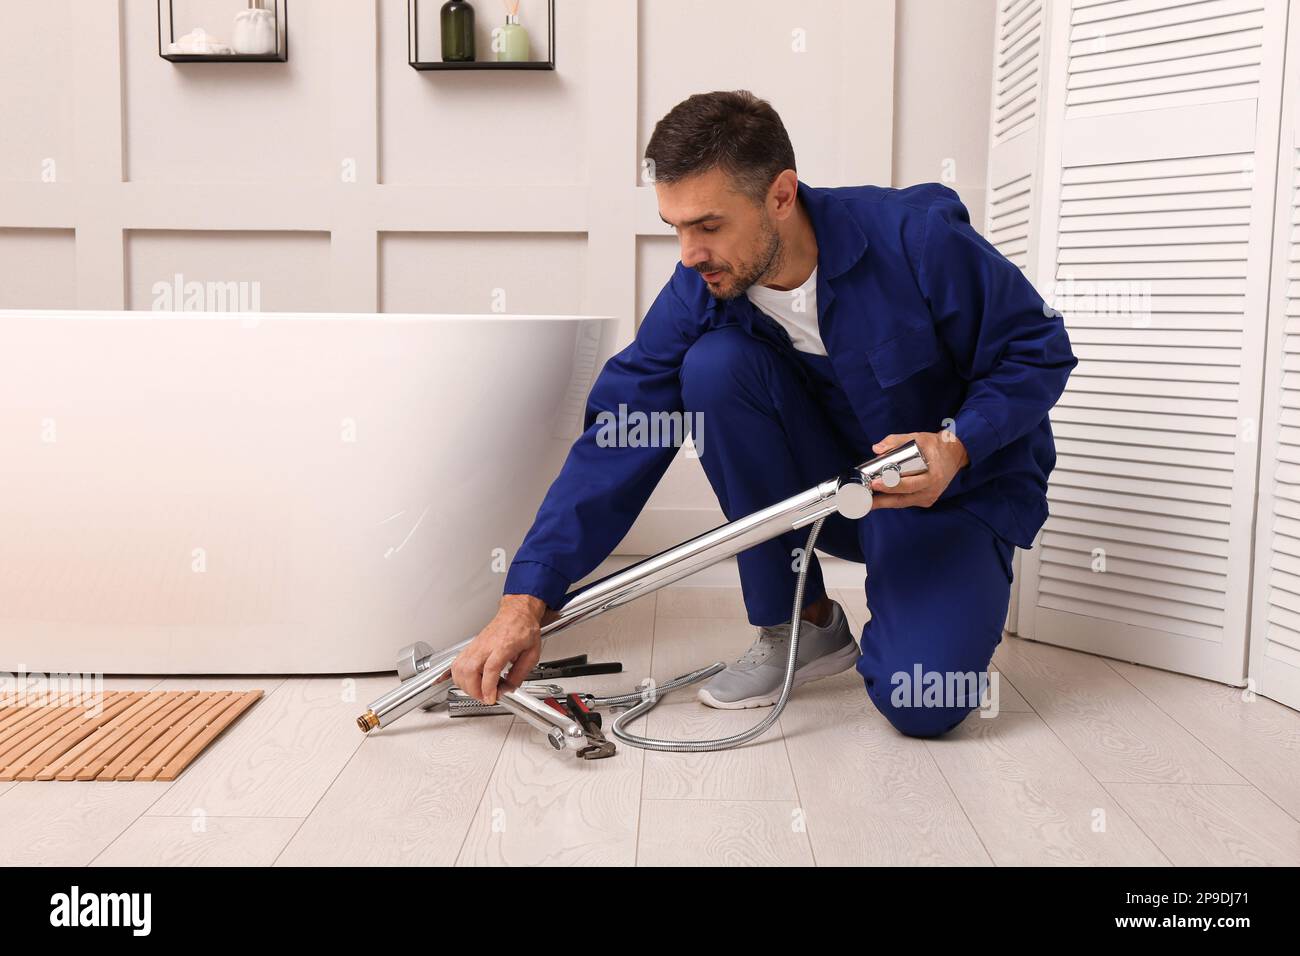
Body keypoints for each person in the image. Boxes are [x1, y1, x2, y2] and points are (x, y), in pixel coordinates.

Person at [451, 89, 1077, 738]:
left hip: (946, 496)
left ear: (780, 196)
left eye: (709, 225)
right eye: (676, 227)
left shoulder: (914, 240)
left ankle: (940, 590)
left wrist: (957, 445)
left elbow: (1039, 349)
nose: (689, 252)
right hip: (835, 497)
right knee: (714, 367)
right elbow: (620, 430)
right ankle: (803, 626)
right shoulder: (704, 286)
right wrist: (525, 599)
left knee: (921, 705)